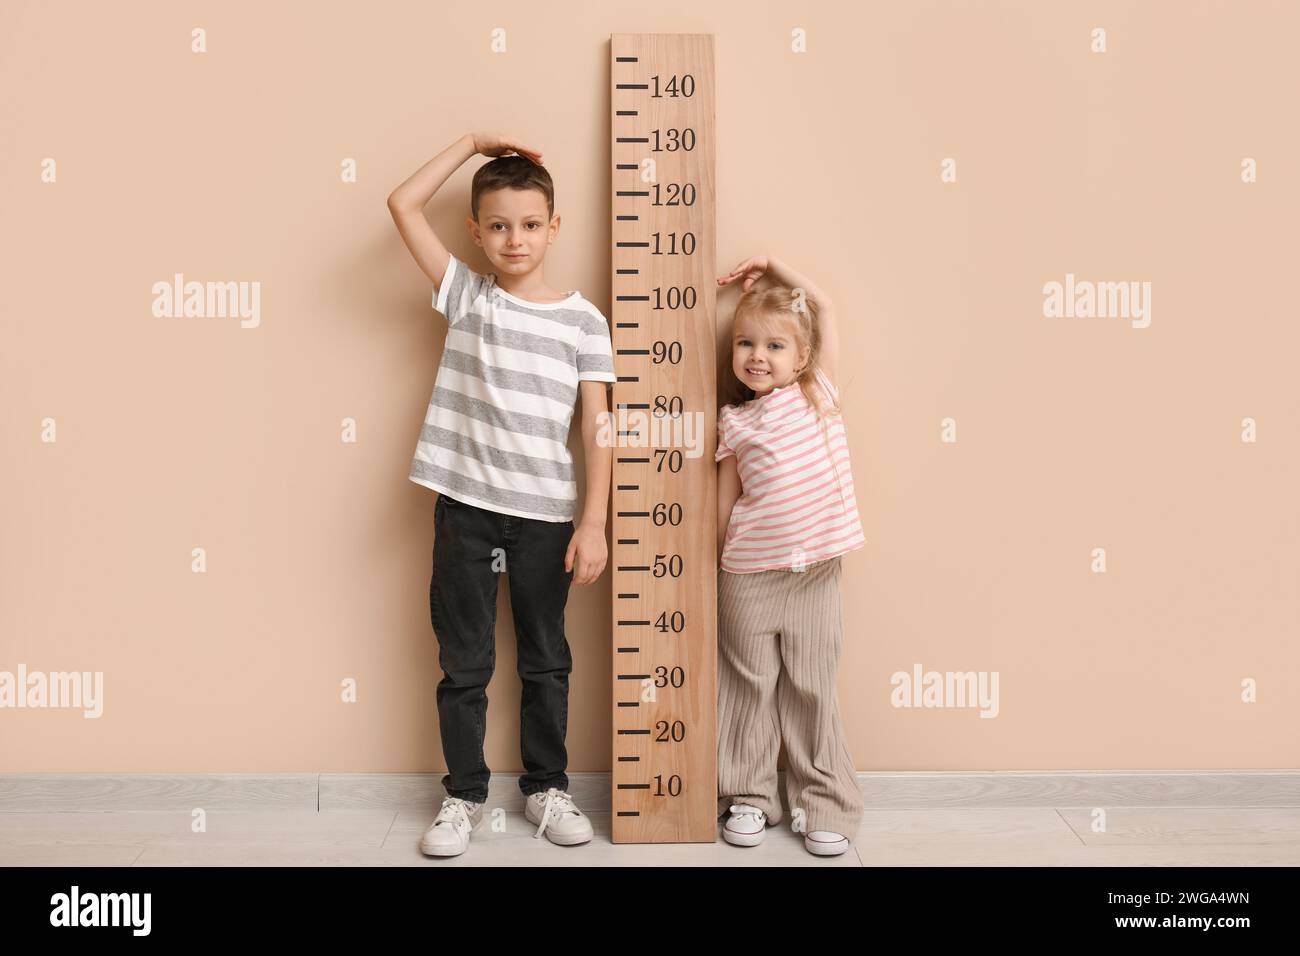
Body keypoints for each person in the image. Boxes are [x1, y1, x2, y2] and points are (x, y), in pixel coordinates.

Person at [387, 132, 615, 857]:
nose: (513, 239)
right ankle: (463, 797)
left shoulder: (584, 321)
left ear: (554, 226)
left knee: (546, 658)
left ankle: (547, 788)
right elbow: (401, 201)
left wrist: (594, 525)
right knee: (466, 662)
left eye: (528, 224)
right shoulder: (467, 297)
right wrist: (472, 143)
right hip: (466, 511)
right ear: (475, 231)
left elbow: (600, 430)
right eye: (497, 225)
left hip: (548, 518)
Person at [714, 255, 867, 856]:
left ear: (801, 359)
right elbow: (725, 504)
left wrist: (775, 265)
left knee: (811, 688)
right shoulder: (734, 420)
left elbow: (823, 307)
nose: (758, 355)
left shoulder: (818, 392)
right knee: (747, 689)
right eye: (746, 343)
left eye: (775, 345)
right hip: (748, 576)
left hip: (816, 573)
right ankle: (747, 798)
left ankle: (824, 802)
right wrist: (714, 567)